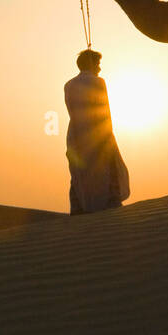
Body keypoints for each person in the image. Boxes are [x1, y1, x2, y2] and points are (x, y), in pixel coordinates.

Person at [63, 50, 130, 214]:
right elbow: (104, 111)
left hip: (75, 135)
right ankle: (111, 208)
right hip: (98, 133)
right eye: (98, 64)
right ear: (91, 64)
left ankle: (78, 209)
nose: (100, 68)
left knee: (79, 174)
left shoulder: (68, 85)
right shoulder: (98, 82)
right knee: (108, 170)